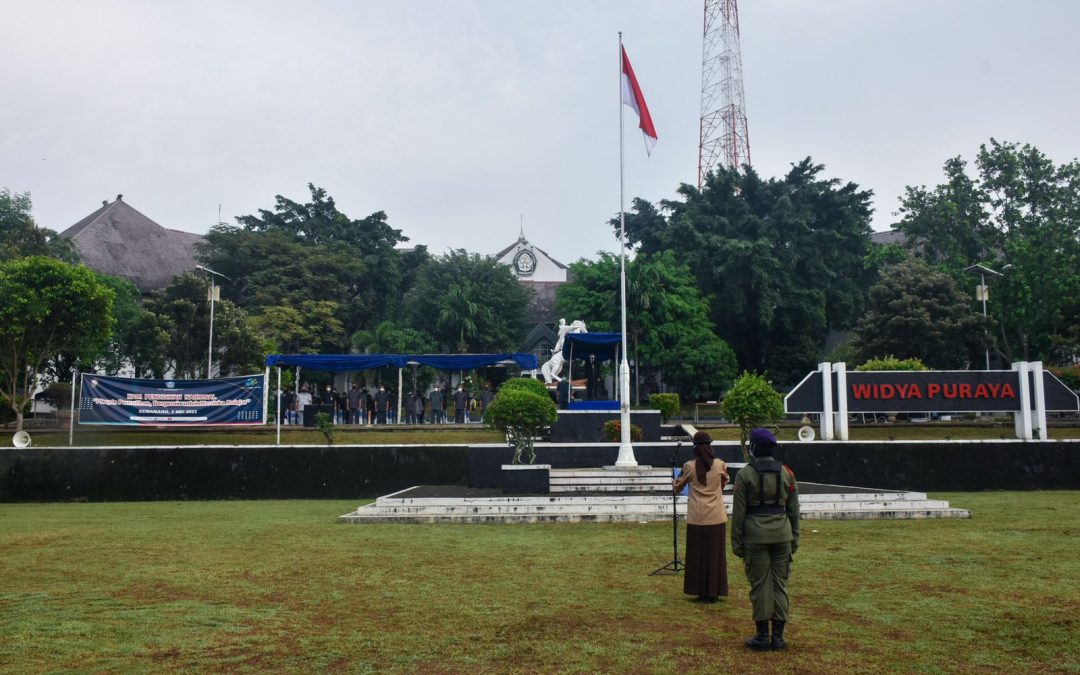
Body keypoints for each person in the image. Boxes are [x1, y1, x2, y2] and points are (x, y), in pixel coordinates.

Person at [731, 428, 800, 651]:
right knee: (779, 585)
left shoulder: (745, 475)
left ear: (753, 448)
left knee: (760, 586)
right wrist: (794, 538)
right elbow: (793, 510)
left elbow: (739, 513)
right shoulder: (787, 472)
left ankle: (762, 636)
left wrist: (737, 542)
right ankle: (778, 637)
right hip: (782, 535)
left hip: (754, 536)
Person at [672, 430, 729, 603]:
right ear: (710, 446)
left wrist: (675, 481)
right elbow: (724, 482)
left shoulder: (689, 466)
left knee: (697, 555)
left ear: (695, 448)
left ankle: (699, 591)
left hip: (697, 517)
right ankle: (715, 591)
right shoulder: (720, 465)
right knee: (715, 555)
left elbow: (677, 487)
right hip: (717, 517)